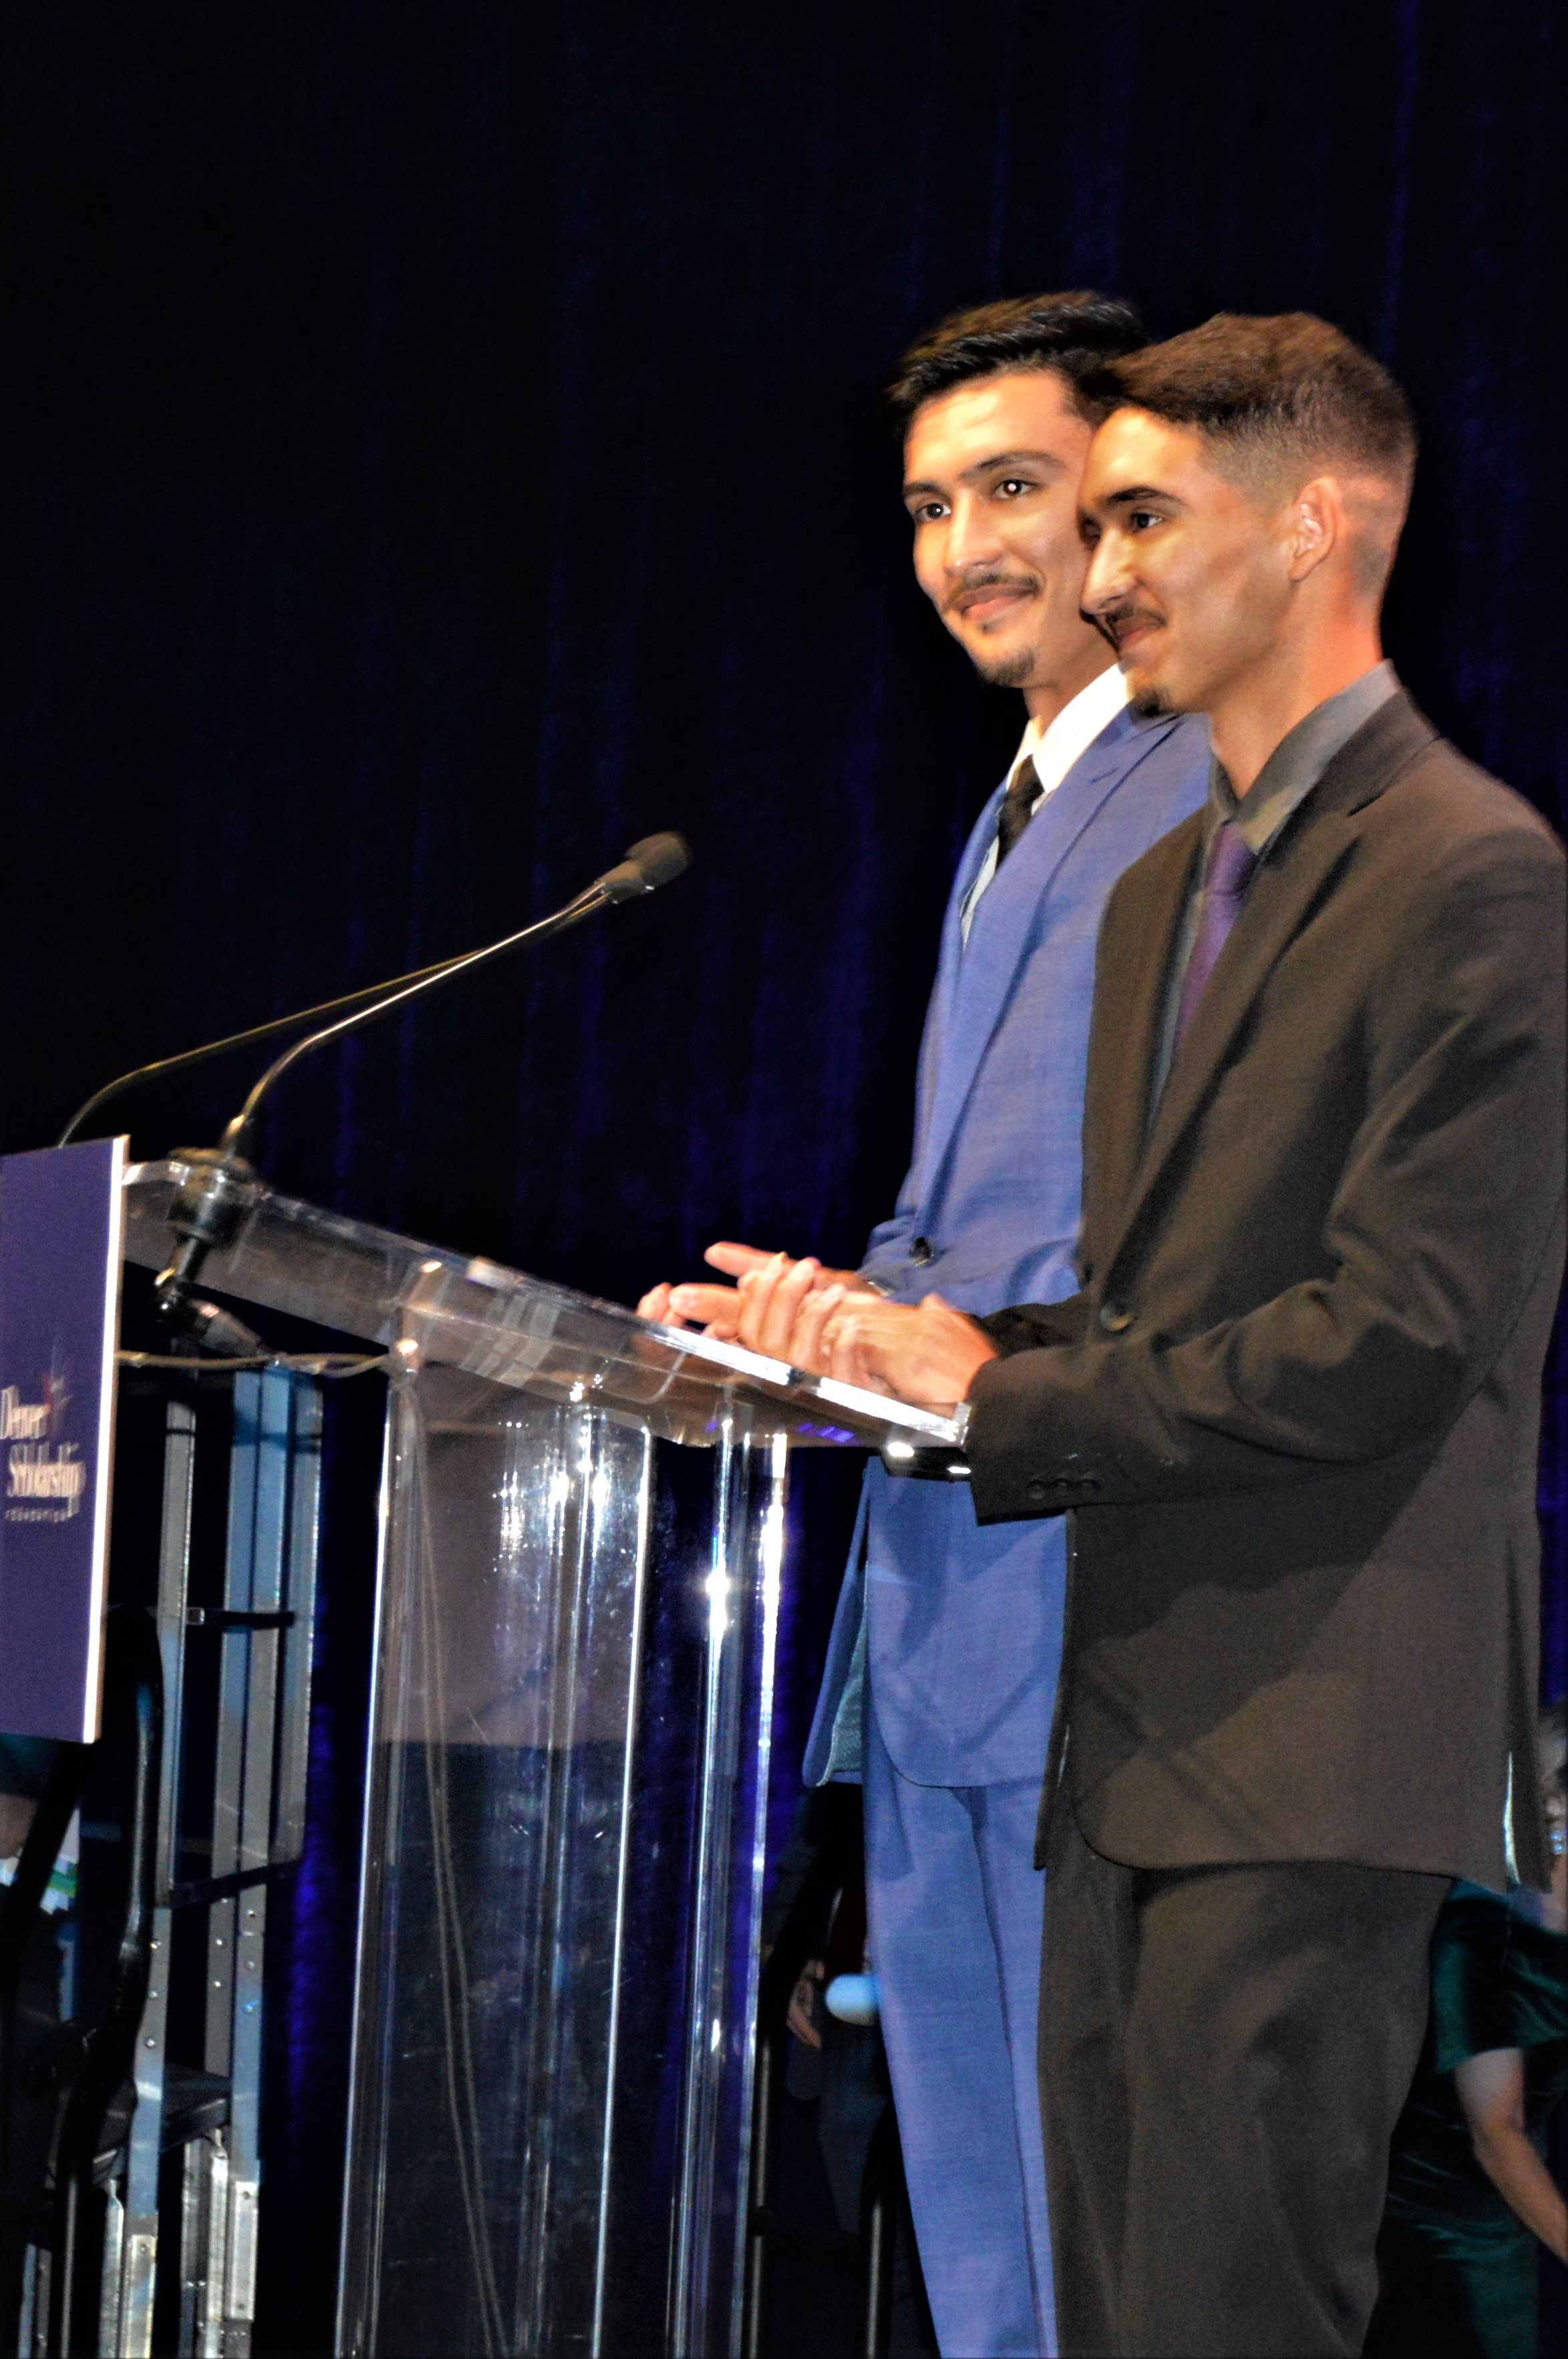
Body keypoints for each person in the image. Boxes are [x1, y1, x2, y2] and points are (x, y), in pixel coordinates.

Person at [718, 313, 1567, 2358]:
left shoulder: (1390, 851)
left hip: (1237, 1663)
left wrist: (978, 1374)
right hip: (1036, 1657)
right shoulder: (1096, 853)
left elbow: (1355, 1315)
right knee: (1047, 2273)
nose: (1046, 565)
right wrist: (833, 1334)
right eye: (944, 507)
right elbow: (1070, 1262)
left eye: (1088, 505)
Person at [639, 293, 1209, 2358]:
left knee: (1102, 2233)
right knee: (980, 2223)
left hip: (1109, 1607)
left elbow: (1225, 1229)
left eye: (1009, 490)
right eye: (922, 504)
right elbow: (965, 1211)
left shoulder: (1211, 790)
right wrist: (814, 1323)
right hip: (945, 1604)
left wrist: (932, 1336)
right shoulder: (1012, 811)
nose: (958, 543)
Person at [1366, 1704, 1568, 2359]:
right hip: (1445, 2241)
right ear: (1556, 1805)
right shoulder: (1483, 1933)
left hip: (1504, 2225)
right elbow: (1495, 2132)